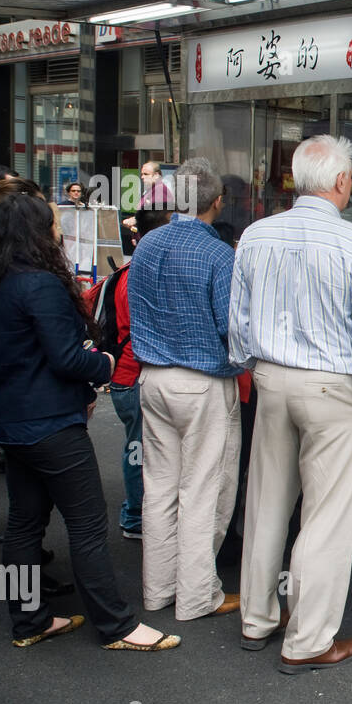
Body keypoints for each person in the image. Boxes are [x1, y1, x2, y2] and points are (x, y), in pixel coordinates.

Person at [0, 185, 178, 651]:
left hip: (11, 420)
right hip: (48, 422)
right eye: (52, 222)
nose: (59, 228)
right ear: (36, 232)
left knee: (24, 522)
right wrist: (102, 364)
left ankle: (29, 621)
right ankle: (116, 626)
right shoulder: (38, 283)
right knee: (85, 523)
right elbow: (66, 357)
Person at [229, 134, 352, 673]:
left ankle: (257, 618)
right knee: (327, 519)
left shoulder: (255, 236)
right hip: (334, 390)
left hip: (272, 382)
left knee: (267, 504)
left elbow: (239, 326)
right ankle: (306, 642)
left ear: (296, 180)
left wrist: (253, 367)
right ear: (342, 182)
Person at [126, 157, 241, 621]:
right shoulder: (219, 255)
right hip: (203, 385)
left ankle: (157, 591)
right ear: (218, 202)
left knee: (159, 490)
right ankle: (197, 596)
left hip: (152, 380)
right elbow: (230, 328)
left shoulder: (148, 243)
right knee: (202, 491)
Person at [105, 204, 173, 543]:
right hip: (133, 375)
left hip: (127, 375)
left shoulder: (132, 271)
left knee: (141, 448)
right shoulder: (139, 274)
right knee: (140, 450)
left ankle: (137, 511)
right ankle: (134, 516)